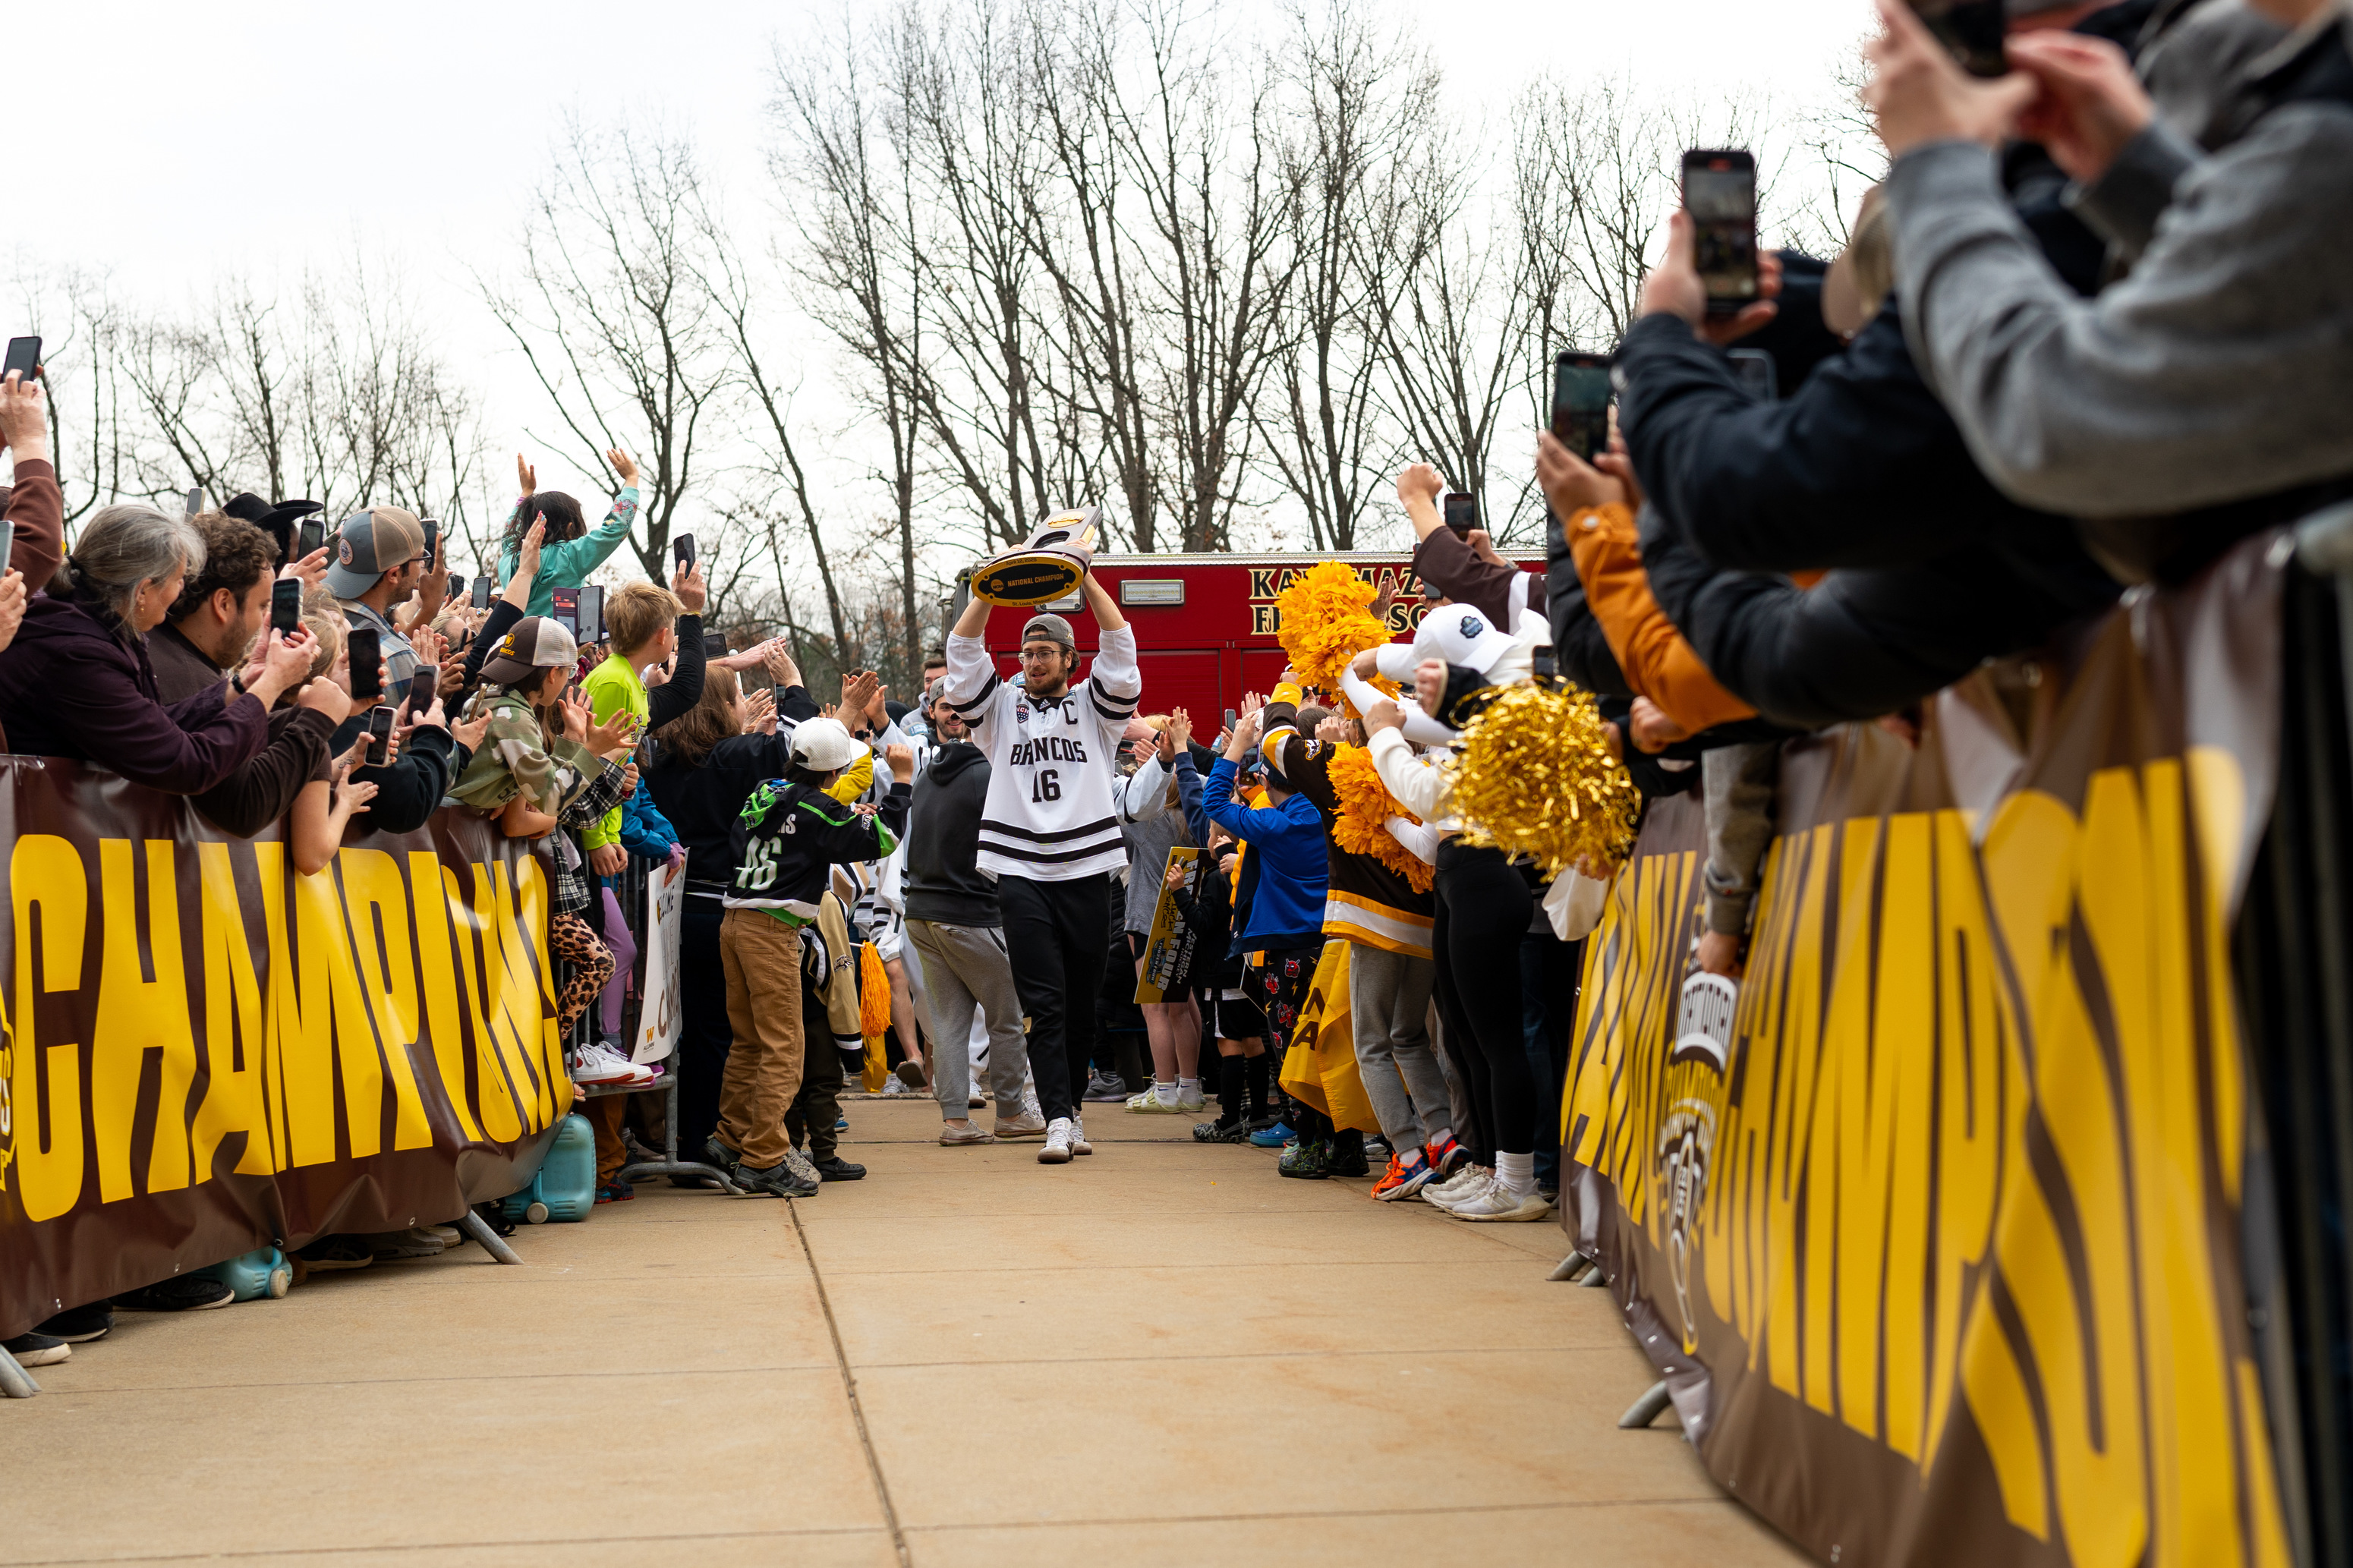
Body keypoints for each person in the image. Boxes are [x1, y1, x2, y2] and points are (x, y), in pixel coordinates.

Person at [1865, 0, 2353, 582]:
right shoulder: (2326, 85)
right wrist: (2137, 172)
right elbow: (2298, 306)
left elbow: (2054, 423)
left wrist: (1936, 166)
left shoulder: (2330, 132)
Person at [940, 572, 1142, 1166]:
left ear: (1068, 659)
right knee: (1045, 1004)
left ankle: (1071, 1108)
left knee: (1083, 1006)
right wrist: (989, 588)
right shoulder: (999, 708)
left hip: (1087, 868)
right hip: (1021, 868)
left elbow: (1120, 644)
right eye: (1026, 651)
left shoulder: (1095, 708)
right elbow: (963, 651)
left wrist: (1087, 579)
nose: (1032, 660)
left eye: (1044, 651)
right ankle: (1055, 1117)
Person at [1258, 681, 1460, 1198]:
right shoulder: (1420, 769)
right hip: (1426, 921)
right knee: (1410, 1036)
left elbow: (1274, 741)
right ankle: (1443, 1138)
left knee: (1372, 1042)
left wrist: (1302, 713)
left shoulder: (1341, 770)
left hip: (1372, 924)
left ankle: (1409, 1154)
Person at [712, 717, 912, 1197]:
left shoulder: (766, 789)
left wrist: (846, 799)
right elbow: (882, 837)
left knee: (749, 1042)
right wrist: (901, 783)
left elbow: (814, 808)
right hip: (772, 932)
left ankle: (729, 1138)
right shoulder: (820, 808)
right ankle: (763, 1158)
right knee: (786, 1047)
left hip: (734, 923)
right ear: (835, 769)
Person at [0, 503, 315, 792]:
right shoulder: (76, 651)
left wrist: (246, 681)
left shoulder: (99, 620)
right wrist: (273, 683)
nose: (183, 590)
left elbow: (159, 725)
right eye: (179, 579)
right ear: (143, 590)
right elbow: (185, 764)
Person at [644, 651, 822, 1159]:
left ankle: (695, 1136)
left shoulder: (658, 758)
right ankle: (737, 1138)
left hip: (676, 914)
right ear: (723, 705)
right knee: (747, 1037)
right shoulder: (737, 755)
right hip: (731, 912)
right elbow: (806, 746)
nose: (745, 703)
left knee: (698, 1035)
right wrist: (793, 684)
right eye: (738, 695)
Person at [449, 617, 638, 1056]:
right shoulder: (513, 716)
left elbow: (538, 800)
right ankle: (548, 1051)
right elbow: (552, 798)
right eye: (569, 673)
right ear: (554, 673)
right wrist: (591, 750)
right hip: (470, 863)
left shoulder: (488, 698)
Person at [1200, 698, 1336, 1176]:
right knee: (1333, 1047)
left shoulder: (1276, 823)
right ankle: (1348, 1147)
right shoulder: (1329, 811)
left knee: (1291, 1049)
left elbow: (1213, 805)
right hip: (1332, 946)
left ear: (1264, 781)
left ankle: (1309, 1146)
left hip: (1287, 949)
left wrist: (1236, 744)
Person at [148, 512, 348, 836]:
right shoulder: (186, 677)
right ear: (224, 603)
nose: (264, 622)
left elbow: (240, 735)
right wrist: (315, 722)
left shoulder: (166, 651)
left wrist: (315, 708)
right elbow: (244, 807)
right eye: (261, 607)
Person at [904, 676, 1040, 1145]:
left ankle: (956, 1122)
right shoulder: (989, 774)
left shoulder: (925, 775)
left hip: (920, 913)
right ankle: (1010, 1112)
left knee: (948, 1023)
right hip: (967, 915)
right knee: (1006, 1016)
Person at [1114, 713, 1205, 1113]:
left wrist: (1146, 768)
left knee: (1154, 1007)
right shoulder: (1195, 805)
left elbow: (1120, 805)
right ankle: (1189, 1086)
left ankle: (1164, 1088)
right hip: (1186, 913)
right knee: (1183, 1004)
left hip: (1149, 916)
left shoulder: (1146, 818)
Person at [495, 449, 643, 618]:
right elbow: (615, 528)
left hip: (514, 639)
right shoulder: (569, 557)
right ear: (570, 528)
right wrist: (632, 479)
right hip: (555, 641)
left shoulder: (510, 556)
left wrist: (526, 491)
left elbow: (511, 531)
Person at [326, 505, 431, 694]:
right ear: (394, 574)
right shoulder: (396, 656)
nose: (423, 565)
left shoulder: (312, 620)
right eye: (420, 557)